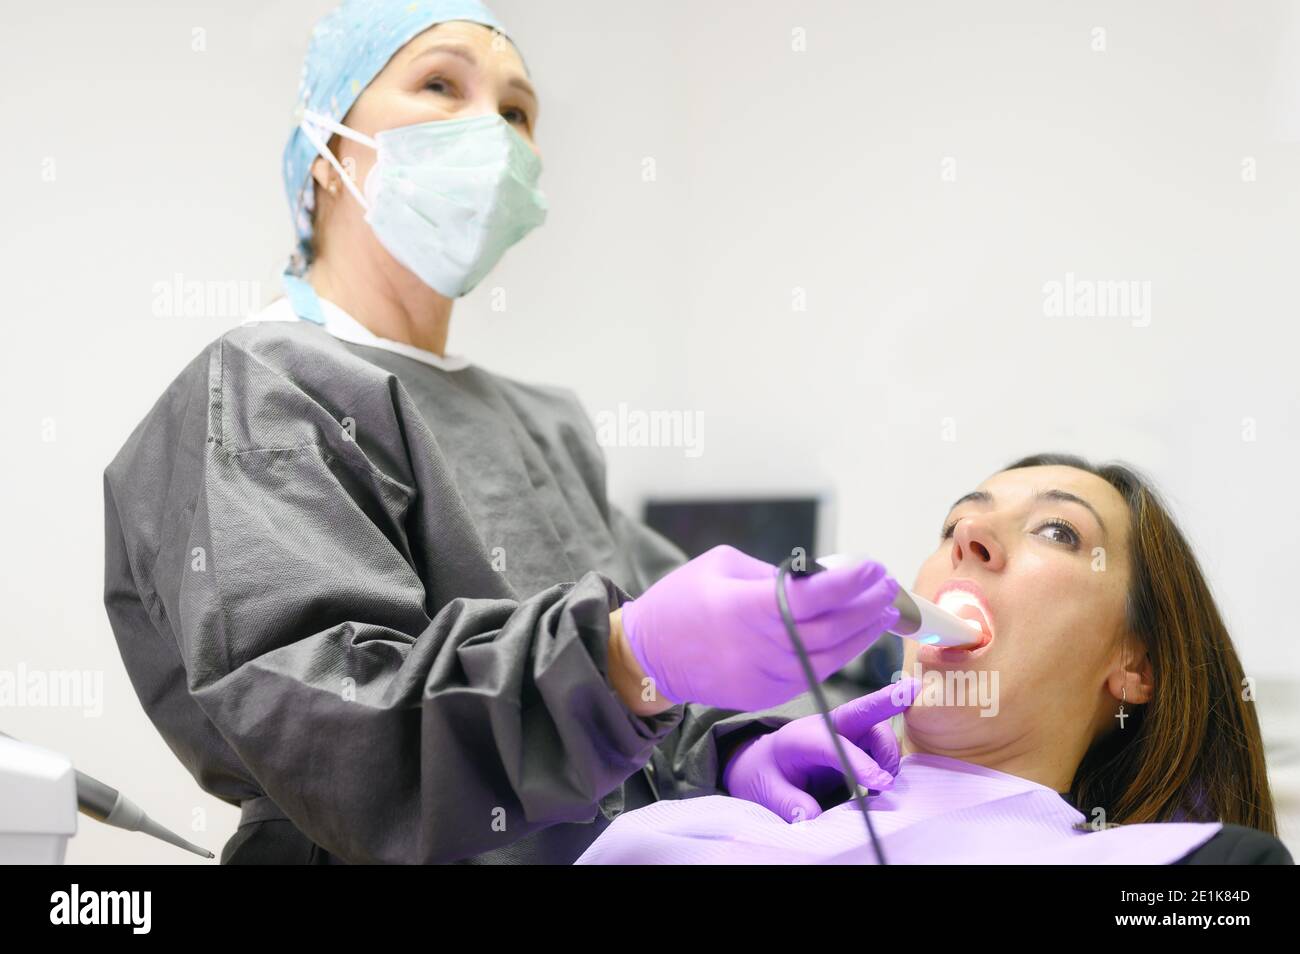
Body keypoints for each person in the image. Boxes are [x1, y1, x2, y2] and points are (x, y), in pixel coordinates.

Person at [101, 0, 905, 865]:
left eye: (517, 111)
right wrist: (623, 657)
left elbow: (629, 717)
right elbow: (338, 731)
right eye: (440, 84)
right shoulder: (263, 387)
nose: (490, 129)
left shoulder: (542, 426)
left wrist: (732, 746)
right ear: (328, 149)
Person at [577, 455, 1294, 864]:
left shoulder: (1191, 876)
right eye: (954, 522)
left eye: (1056, 530)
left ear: (1136, 666)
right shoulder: (699, 812)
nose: (970, 535)